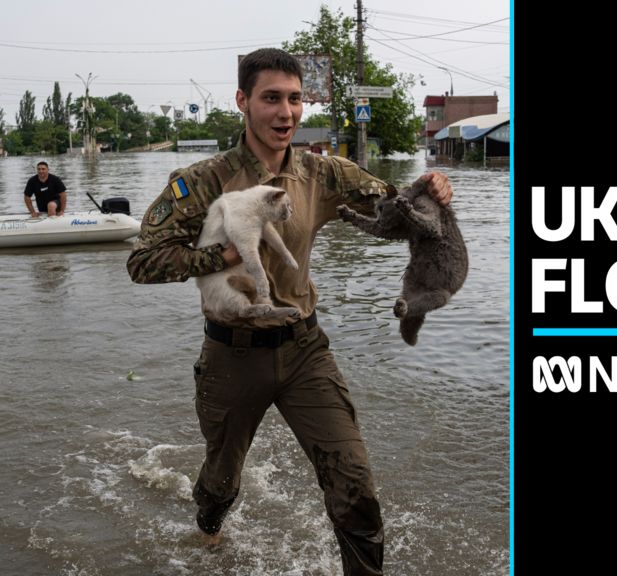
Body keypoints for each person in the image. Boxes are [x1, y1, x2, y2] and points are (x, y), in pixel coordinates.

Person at [126, 48, 453, 576]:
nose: (286, 113)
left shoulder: (321, 174)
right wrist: (226, 254)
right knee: (220, 486)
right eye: (271, 98)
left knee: (356, 488)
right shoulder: (204, 181)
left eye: (295, 99)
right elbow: (142, 262)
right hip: (231, 356)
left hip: (305, 351)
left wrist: (430, 192)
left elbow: (397, 210)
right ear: (242, 101)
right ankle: (208, 528)